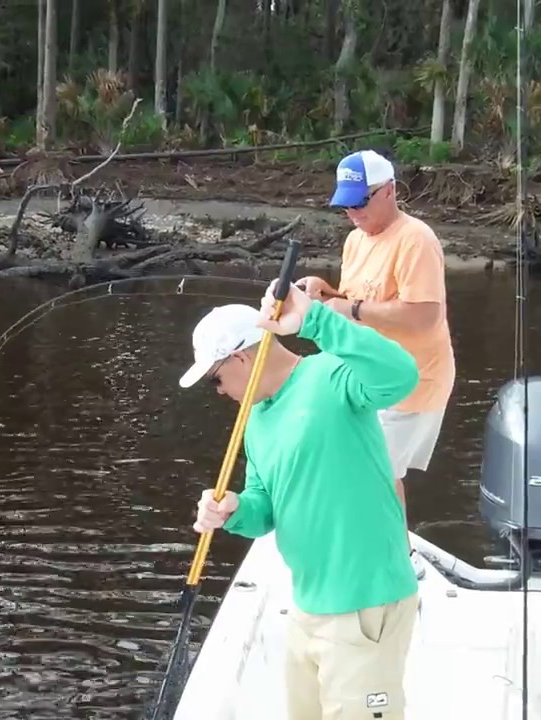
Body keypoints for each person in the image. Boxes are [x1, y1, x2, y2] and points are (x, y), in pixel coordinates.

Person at [179, 281, 419, 720]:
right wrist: (234, 508)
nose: (217, 392)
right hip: (308, 608)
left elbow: (401, 375)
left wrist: (315, 318)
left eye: (215, 379)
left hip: (366, 605)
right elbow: (263, 509)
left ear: (240, 359)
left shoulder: (329, 374)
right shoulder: (255, 419)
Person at [296, 148, 456, 579]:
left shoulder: (415, 239)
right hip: (368, 380)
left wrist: (350, 310)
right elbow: (353, 300)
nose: (352, 212)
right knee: (374, 471)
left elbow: (425, 316)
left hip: (413, 381)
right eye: (345, 202)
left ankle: (391, 568)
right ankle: (394, 558)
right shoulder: (354, 240)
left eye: (360, 201)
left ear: (390, 192)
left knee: (368, 472)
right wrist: (325, 293)